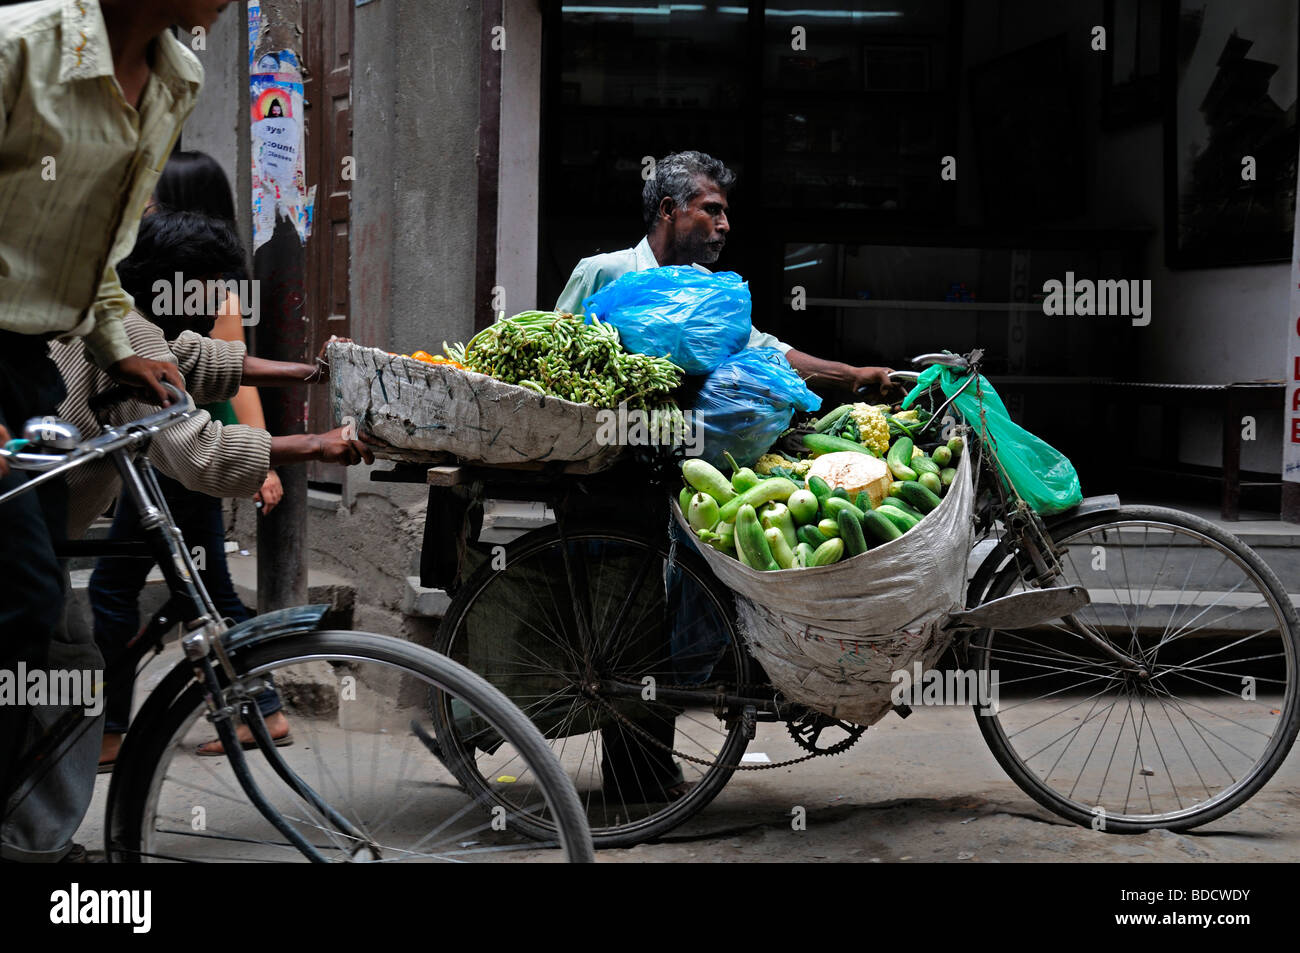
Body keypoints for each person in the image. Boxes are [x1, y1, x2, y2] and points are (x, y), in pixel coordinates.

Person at [0, 0, 230, 862]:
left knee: (33, 603)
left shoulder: (178, 78)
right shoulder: (21, 49)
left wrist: (114, 342)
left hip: (27, 359)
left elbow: (105, 248)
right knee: (23, 592)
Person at [71, 210, 370, 769]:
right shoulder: (125, 328)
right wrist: (313, 445)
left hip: (102, 494)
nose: (220, 304)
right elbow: (198, 450)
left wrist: (316, 373)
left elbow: (204, 362)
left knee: (191, 594)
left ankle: (237, 708)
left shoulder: (130, 316)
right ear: (172, 287)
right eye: (213, 291)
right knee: (74, 641)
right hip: (39, 516)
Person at [555, 150, 895, 395]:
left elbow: (769, 351)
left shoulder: (710, 294)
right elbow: (551, 358)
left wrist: (853, 376)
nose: (725, 225)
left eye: (725, 212)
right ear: (670, 209)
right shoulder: (605, 273)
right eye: (712, 210)